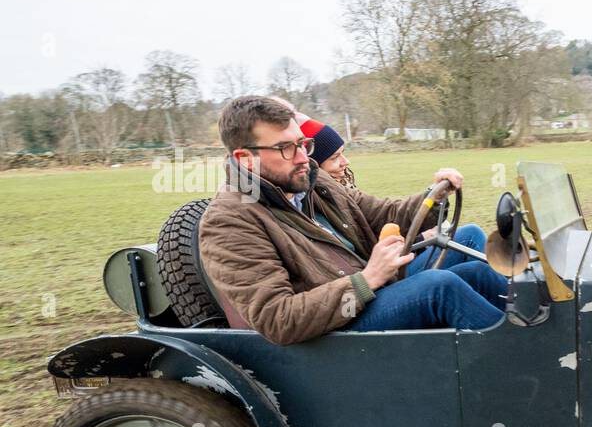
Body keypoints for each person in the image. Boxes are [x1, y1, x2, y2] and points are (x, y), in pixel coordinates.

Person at [199, 95, 508, 345]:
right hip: (333, 331)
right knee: (439, 287)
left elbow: (380, 214)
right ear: (244, 159)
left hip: (368, 288)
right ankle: (519, 361)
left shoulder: (311, 180)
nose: (302, 157)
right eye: (284, 148)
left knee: (474, 259)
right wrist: (367, 279)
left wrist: (433, 196)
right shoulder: (229, 221)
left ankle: (538, 326)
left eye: (302, 144)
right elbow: (278, 320)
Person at [296, 112, 489, 270]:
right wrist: (419, 240)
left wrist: (435, 195)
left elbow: (387, 213)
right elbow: (353, 260)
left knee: (472, 253)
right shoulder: (300, 212)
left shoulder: (337, 193)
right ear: (313, 165)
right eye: (335, 157)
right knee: (464, 248)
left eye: (343, 154)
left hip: (387, 268)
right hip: (376, 283)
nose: (345, 162)